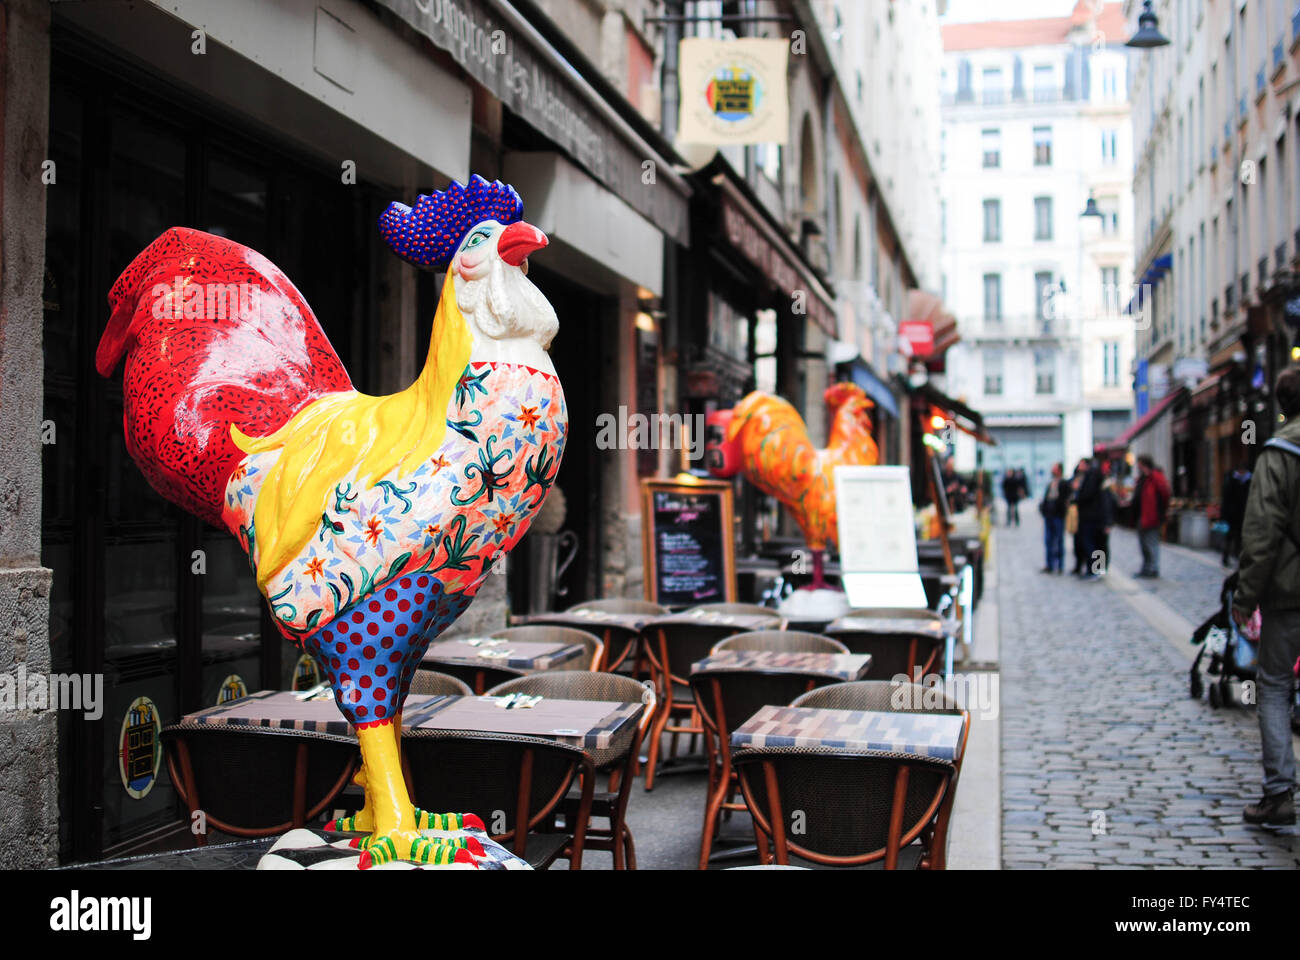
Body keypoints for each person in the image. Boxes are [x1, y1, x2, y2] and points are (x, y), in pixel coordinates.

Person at [1232, 368, 1300, 826]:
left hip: (1289, 595)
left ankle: (1279, 793)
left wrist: (1244, 598)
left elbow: (1261, 535)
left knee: (1274, 685)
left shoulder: (1278, 454)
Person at [1132, 455, 1171, 578]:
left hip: (1152, 516)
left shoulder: (1155, 477)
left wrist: (1160, 512)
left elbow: (1165, 494)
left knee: (1151, 543)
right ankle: (1146, 567)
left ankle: (1153, 568)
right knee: (1143, 544)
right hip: (1142, 516)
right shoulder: (1143, 478)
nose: (1138, 466)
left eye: (1139, 464)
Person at [1073, 457, 1105, 581]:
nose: (1079, 467)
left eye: (1081, 464)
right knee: (1096, 544)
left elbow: (1087, 495)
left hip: (1091, 516)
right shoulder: (1090, 476)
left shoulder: (1092, 477)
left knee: (1093, 544)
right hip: (1093, 516)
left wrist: (1077, 495)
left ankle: (1096, 570)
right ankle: (1097, 570)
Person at [1039, 462, 1069, 573]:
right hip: (1049, 515)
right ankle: (1049, 564)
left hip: (1058, 516)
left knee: (1059, 541)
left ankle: (1060, 566)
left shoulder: (1064, 483)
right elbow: (1046, 497)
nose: (1052, 470)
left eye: (1054, 468)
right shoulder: (1050, 482)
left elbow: (1065, 499)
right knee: (1048, 540)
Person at [1221, 463, 1253, 566]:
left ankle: (1238, 556)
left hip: (1244, 514)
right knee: (1230, 536)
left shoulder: (1249, 480)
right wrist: (1224, 514)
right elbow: (1226, 499)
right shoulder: (1231, 480)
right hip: (1233, 514)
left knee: (1241, 537)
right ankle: (1227, 556)